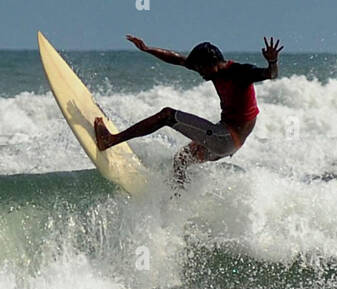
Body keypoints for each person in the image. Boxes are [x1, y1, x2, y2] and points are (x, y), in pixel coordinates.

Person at [95, 35, 283, 181]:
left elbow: (270, 75)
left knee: (167, 115)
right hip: (229, 142)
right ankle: (175, 204)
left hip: (226, 137)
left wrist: (272, 62)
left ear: (212, 63)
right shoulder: (213, 71)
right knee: (181, 160)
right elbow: (178, 60)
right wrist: (147, 49)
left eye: (201, 68)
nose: (199, 72)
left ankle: (110, 140)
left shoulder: (239, 72)